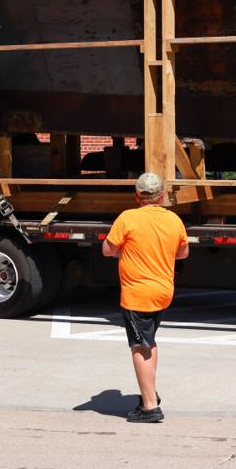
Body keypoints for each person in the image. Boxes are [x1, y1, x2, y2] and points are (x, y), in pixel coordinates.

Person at [102, 172, 190, 424]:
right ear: (162, 196)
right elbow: (183, 253)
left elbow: (108, 250)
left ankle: (150, 407)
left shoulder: (128, 218)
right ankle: (149, 394)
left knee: (139, 346)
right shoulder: (173, 219)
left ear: (137, 197)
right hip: (163, 292)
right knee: (149, 342)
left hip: (137, 294)